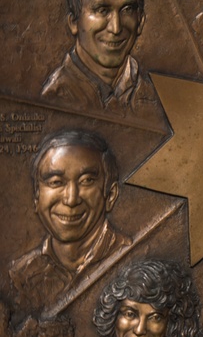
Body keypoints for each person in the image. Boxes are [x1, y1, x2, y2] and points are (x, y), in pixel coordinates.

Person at [8, 130, 131, 319]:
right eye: (56, 182)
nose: (71, 199)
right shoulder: (19, 276)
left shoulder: (131, 259)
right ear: (36, 196)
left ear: (110, 195)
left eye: (87, 181)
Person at [40, 0, 162, 123]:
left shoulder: (160, 96)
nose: (116, 27)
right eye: (102, 10)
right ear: (74, 22)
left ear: (140, 21)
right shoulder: (53, 99)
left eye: (127, 10)